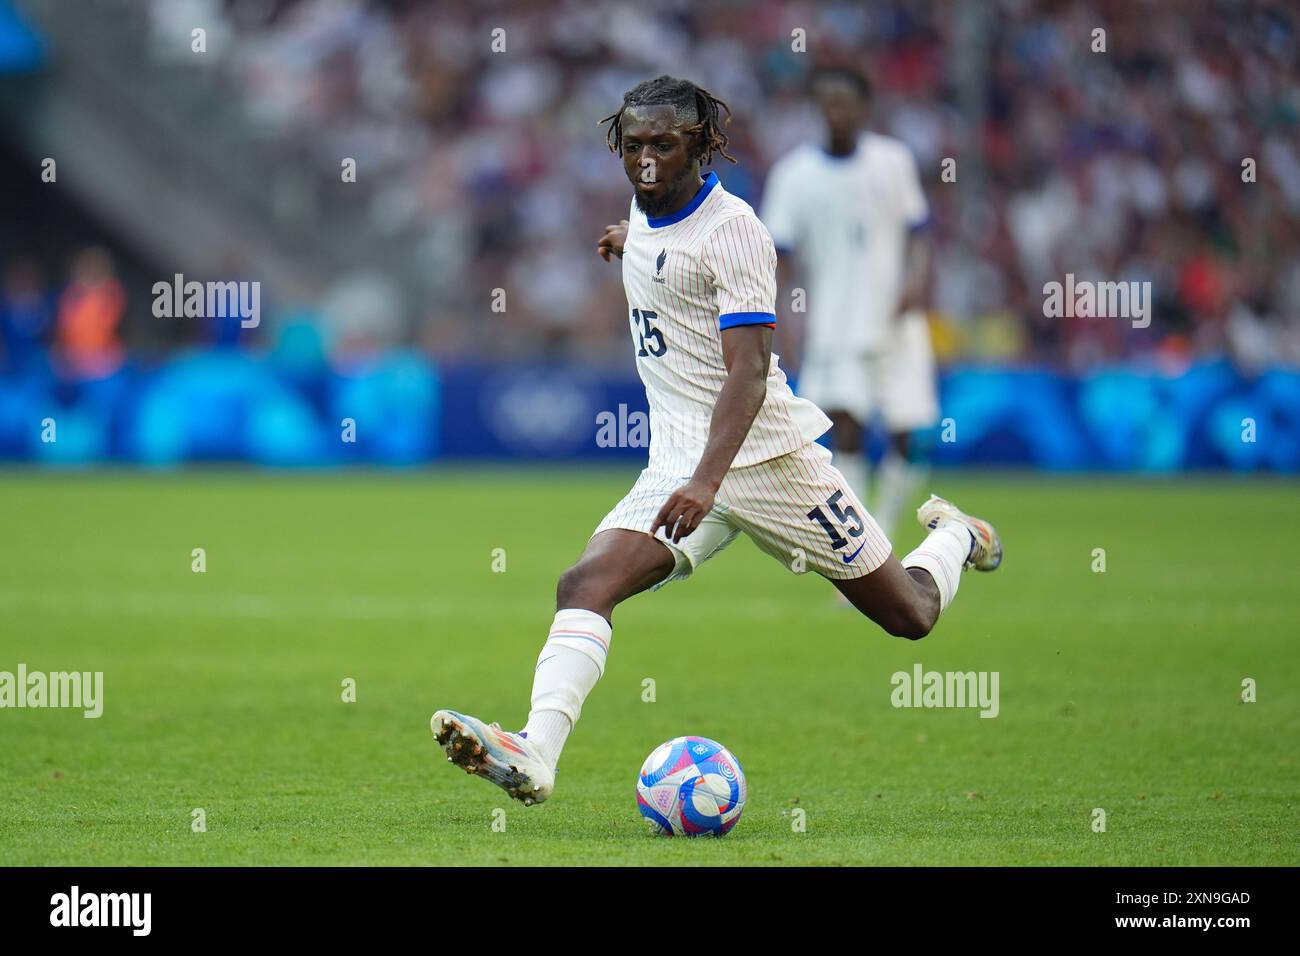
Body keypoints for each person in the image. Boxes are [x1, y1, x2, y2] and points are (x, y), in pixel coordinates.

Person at [432, 76, 1000, 806]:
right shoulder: (645, 215)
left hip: (769, 462)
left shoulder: (736, 232)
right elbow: (659, 244)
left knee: (911, 617)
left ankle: (954, 534)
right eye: (632, 146)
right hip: (674, 461)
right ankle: (536, 753)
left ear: (701, 146)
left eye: (663, 146)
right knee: (585, 584)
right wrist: (627, 240)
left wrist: (707, 480)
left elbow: (751, 371)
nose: (645, 161)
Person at [761, 66, 939, 540]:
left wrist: (916, 282)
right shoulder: (794, 175)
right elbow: (780, 255)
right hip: (833, 322)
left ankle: (886, 525)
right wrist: (788, 317)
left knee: (909, 431)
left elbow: (919, 231)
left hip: (896, 319)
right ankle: (866, 544)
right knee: (846, 427)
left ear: (864, 107)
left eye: (845, 101)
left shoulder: (893, 162)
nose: (836, 111)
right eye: (827, 101)